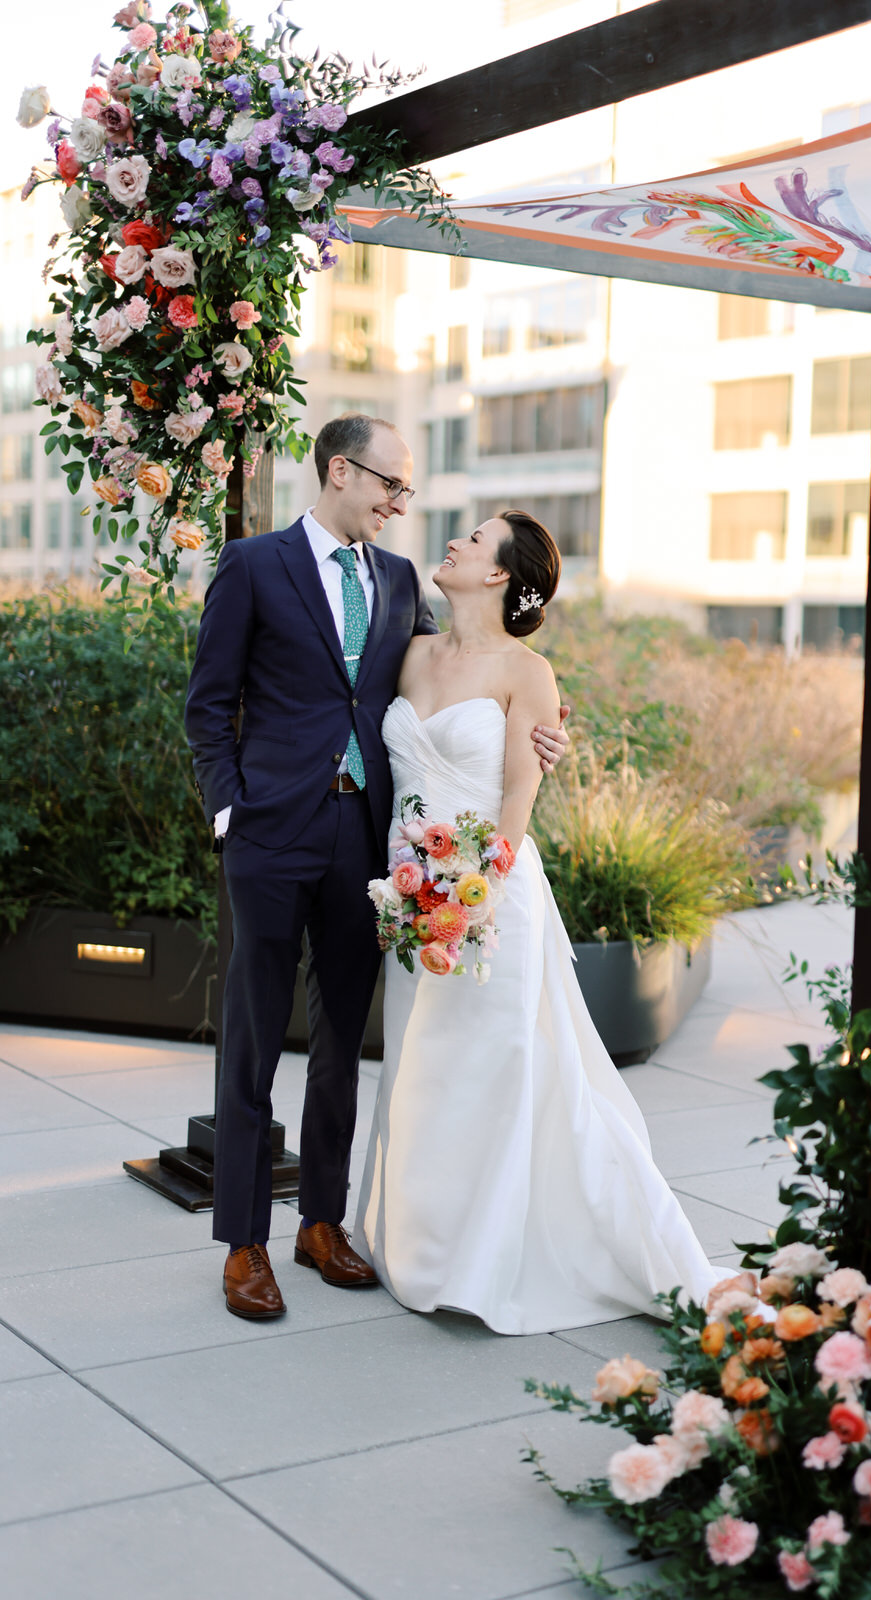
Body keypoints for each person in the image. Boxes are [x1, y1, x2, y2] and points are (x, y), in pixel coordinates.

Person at [184, 415, 567, 1321]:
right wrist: (230, 810)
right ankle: (244, 1243)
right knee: (250, 1042)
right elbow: (209, 704)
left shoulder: (399, 583)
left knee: (339, 1044)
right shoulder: (252, 566)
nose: (403, 503)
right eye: (392, 485)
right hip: (270, 840)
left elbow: (464, 673)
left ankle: (321, 1223)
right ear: (342, 471)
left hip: (368, 847)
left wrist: (546, 726)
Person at [353, 510, 732, 1333]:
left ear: (498, 575)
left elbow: (518, 798)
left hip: (485, 899)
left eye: (473, 538)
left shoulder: (530, 672)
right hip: (408, 892)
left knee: (496, 1068)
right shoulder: (412, 650)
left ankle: (488, 1258)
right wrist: (419, 895)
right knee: (422, 1064)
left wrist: (468, 896)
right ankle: (423, 1241)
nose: (451, 541)